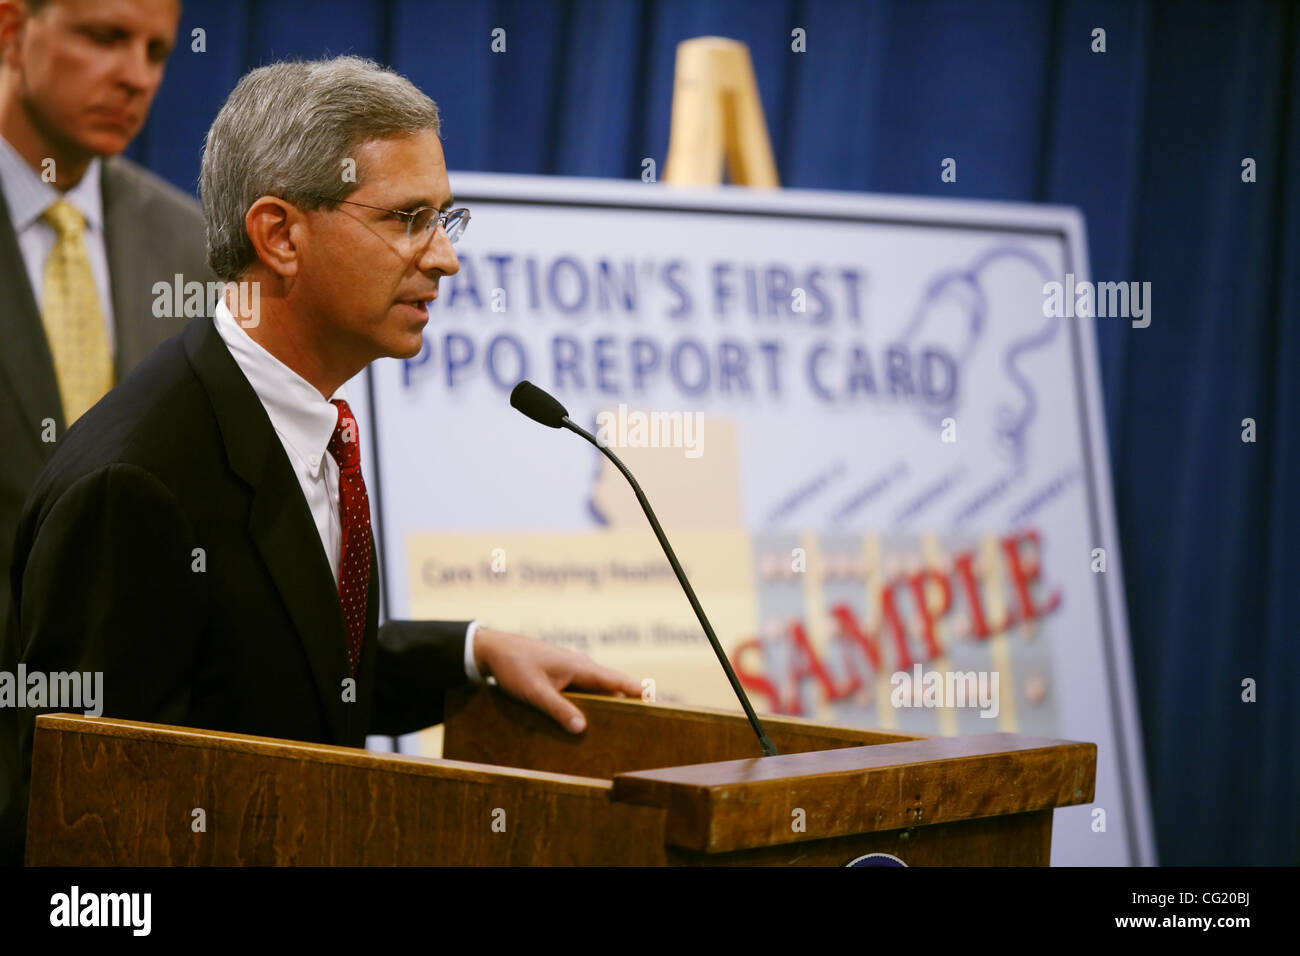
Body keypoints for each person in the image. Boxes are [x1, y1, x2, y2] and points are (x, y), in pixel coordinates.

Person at [0, 55, 641, 865]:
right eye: (409, 219)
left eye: (447, 219)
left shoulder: (301, 419)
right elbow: (90, 837)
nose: (445, 259)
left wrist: (473, 652)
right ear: (280, 236)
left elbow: (291, 668)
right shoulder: (133, 486)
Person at [0, 0, 210, 664]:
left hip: (126, 722)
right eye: (106, 37)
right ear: (11, 30)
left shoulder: (191, 246)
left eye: (156, 53)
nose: (136, 76)